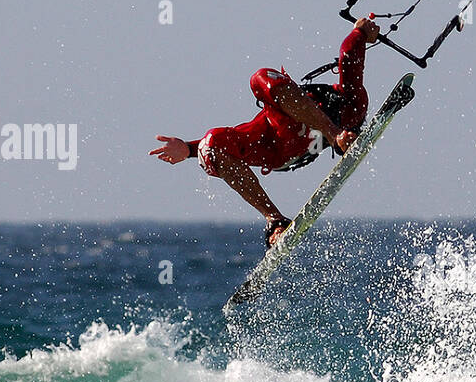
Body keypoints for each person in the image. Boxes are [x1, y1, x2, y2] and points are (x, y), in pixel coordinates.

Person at [150, 17, 382, 247]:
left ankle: (337, 135)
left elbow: (348, 55)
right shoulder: (268, 130)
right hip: (278, 147)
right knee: (210, 145)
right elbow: (218, 144)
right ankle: (275, 221)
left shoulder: (349, 105)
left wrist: (360, 33)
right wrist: (190, 149)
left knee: (259, 78)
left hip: (337, 126)